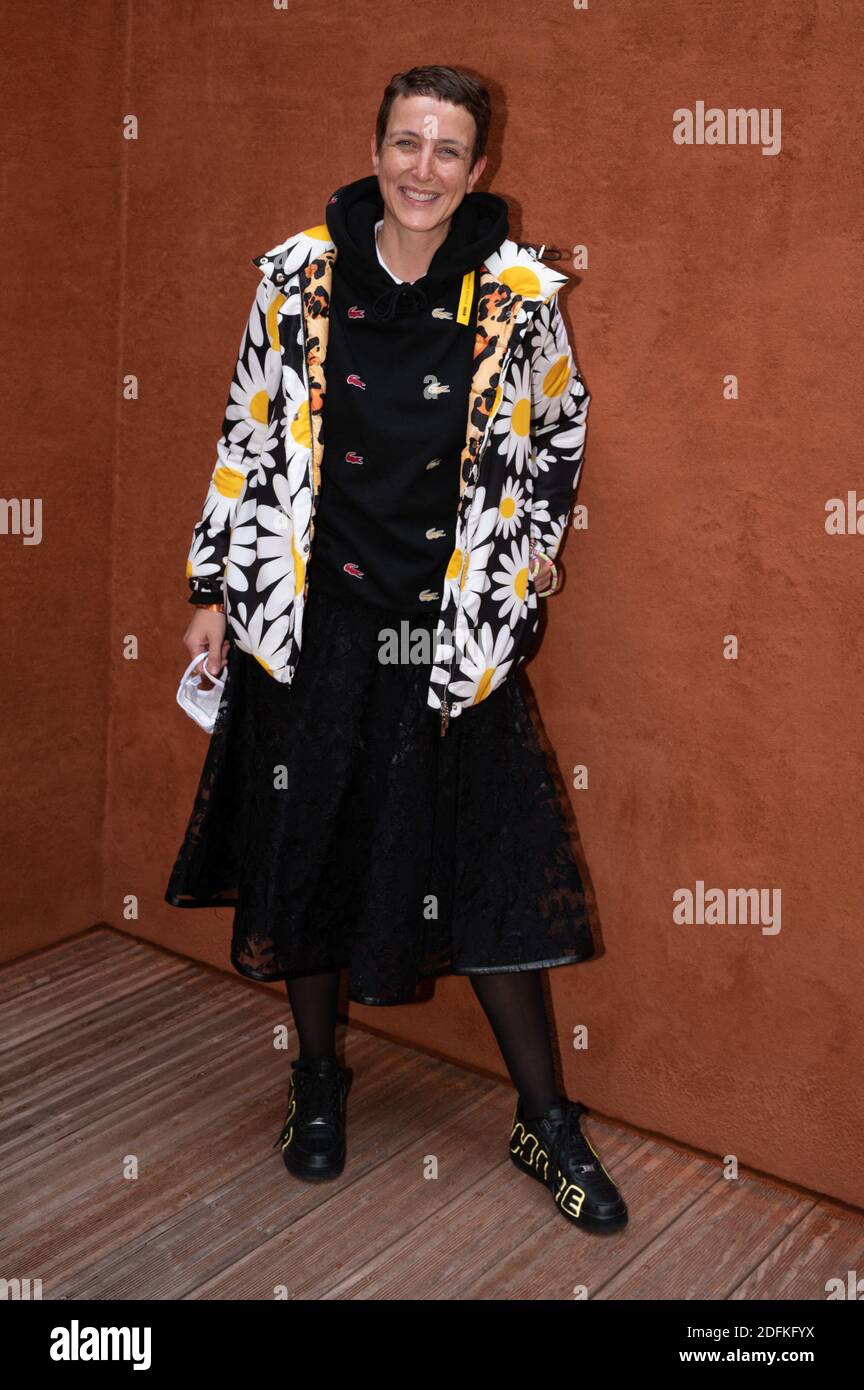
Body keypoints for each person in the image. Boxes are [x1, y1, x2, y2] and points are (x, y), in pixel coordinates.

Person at [165, 64, 627, 1234]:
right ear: (376, 149)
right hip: (312, 624)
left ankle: (545, 1118)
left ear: (480, 170)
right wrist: (215, 584)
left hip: (445, 638)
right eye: (406, 141)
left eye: (448, 149)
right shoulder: (297, 275)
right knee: (308, 849)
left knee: (487, 869)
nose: (424, 167)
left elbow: (559, 437)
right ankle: (317, 1079)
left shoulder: (519, 297)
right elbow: (247, 423)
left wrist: (520, 581)